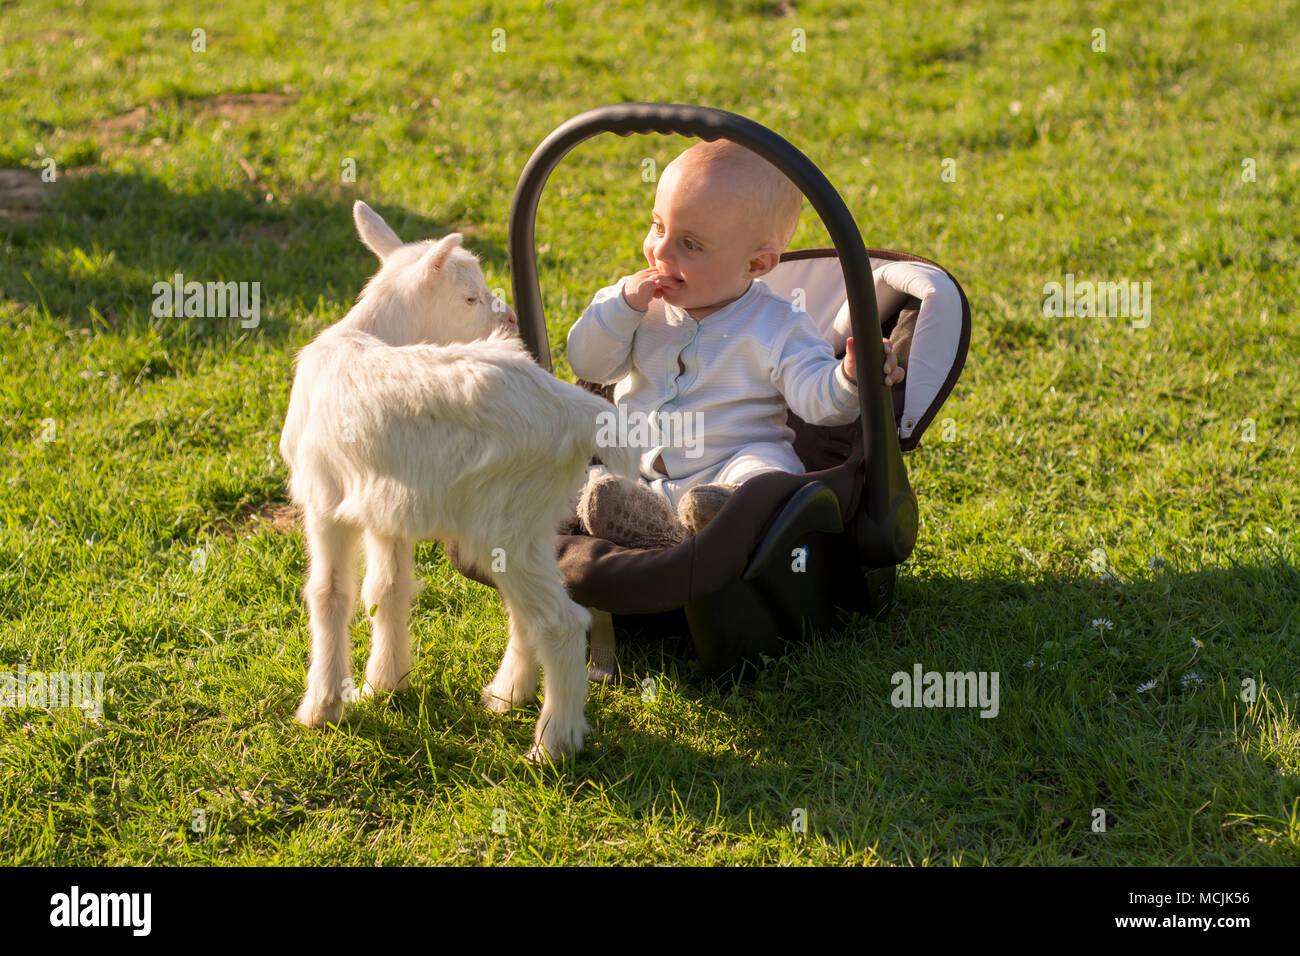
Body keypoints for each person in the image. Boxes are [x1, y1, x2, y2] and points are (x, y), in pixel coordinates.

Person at [566, 139, 904, 547]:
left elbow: (817, 399)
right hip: (641, 474)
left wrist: (850, 376)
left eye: (690, 245)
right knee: (590, 485)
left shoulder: (777, 323)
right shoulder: (634, 305)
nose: (660, 251)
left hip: (731, 464)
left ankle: (725, 519)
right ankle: (647, 528)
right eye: (658, 226)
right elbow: (589, 365)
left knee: (765, 474)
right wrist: (622, 308)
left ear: (756, 265)